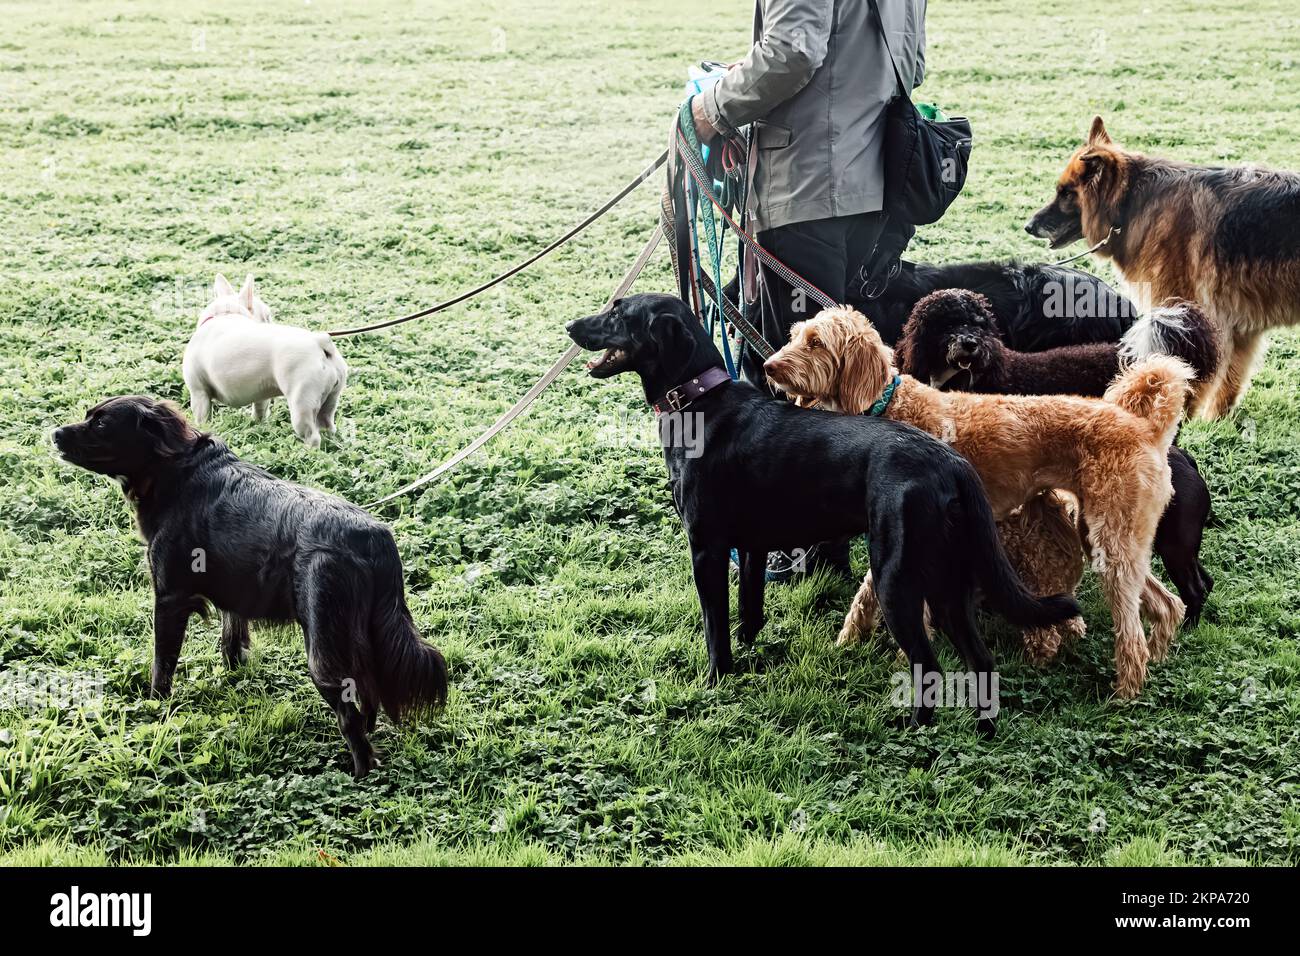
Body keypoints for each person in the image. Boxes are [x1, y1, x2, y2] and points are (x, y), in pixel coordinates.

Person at [692, 0, 928, 579]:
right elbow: (910, 60)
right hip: (871, 178)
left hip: (803, 188)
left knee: (797, 378)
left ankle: (807, 542)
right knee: (848, 376)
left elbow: (792, 52)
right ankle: (849, 536)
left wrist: (712, 106)